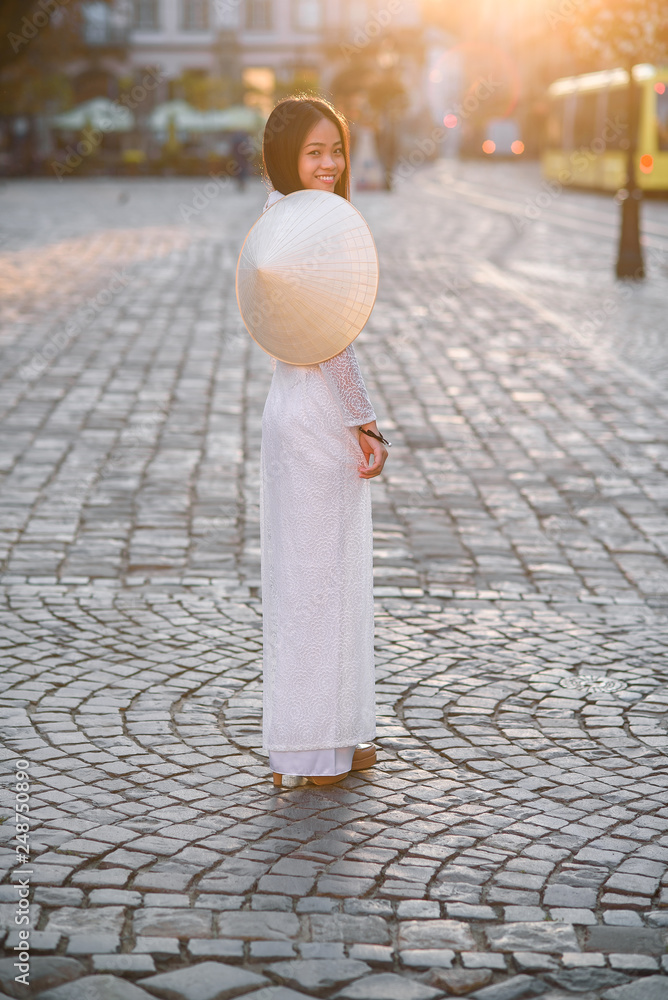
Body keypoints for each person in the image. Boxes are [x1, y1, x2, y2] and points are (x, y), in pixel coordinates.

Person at [259, 95, 390, 787]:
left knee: (300, 582)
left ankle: (330, 737)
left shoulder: (273, 222)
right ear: (288, 157)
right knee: (324, 585)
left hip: (284, 410)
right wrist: (363, 422)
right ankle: (320, 750)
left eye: (336, 149)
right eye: (315, 152)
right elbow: (333, 343)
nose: (331, 163)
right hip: (318, 418)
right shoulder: (319, 228)